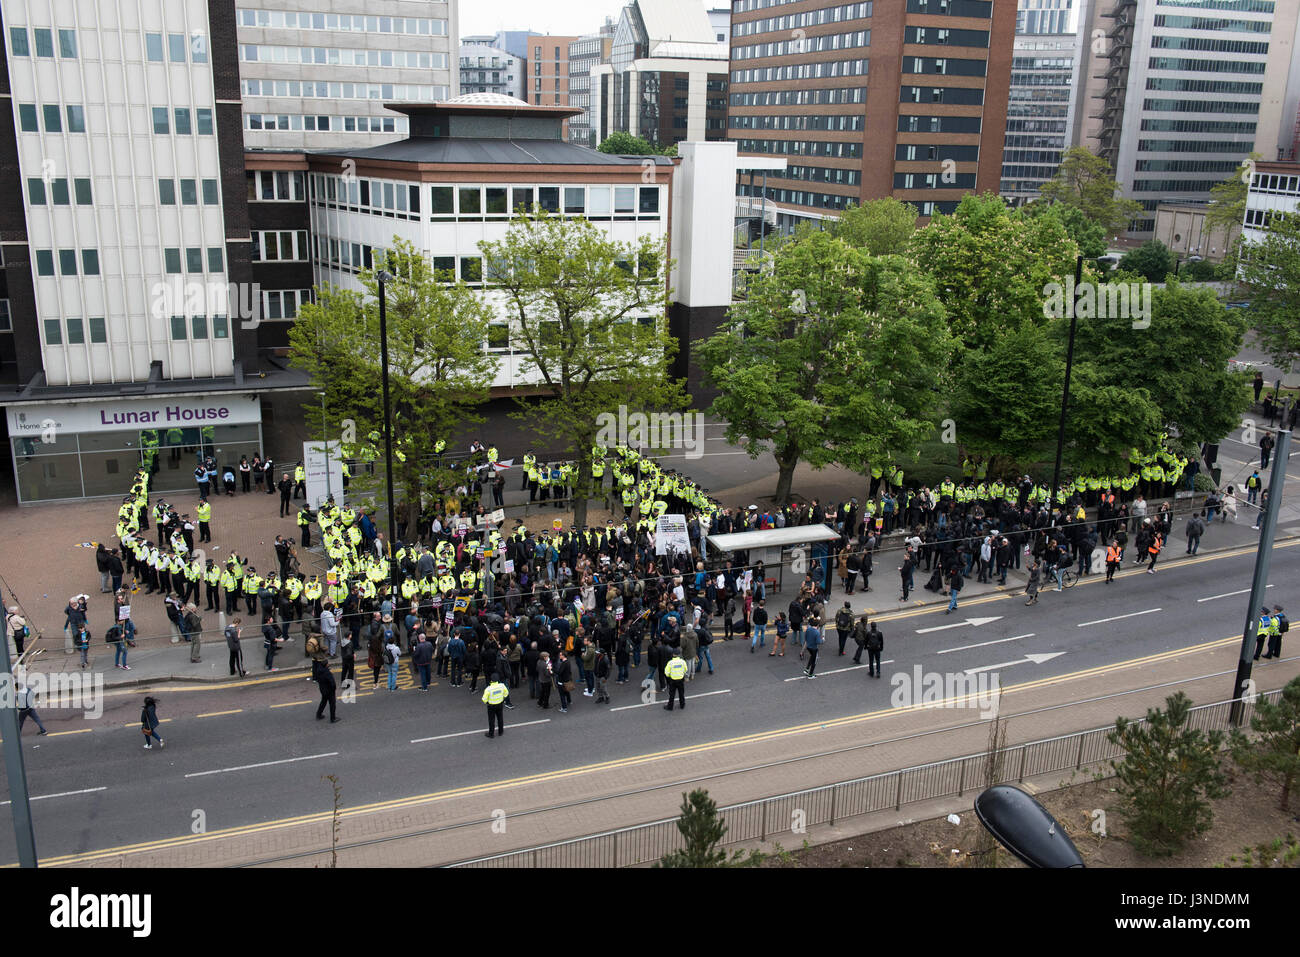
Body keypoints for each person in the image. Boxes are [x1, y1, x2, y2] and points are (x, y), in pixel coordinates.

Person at [313, 655, 339, 722]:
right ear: (326, 665)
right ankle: (333, 718)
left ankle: (319, 714)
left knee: (323, 701)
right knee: (332, 704)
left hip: (323, 689)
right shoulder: (327, 673)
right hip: (329, 690)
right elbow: (332, 683)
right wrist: (334, 688)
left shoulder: (318, 670)